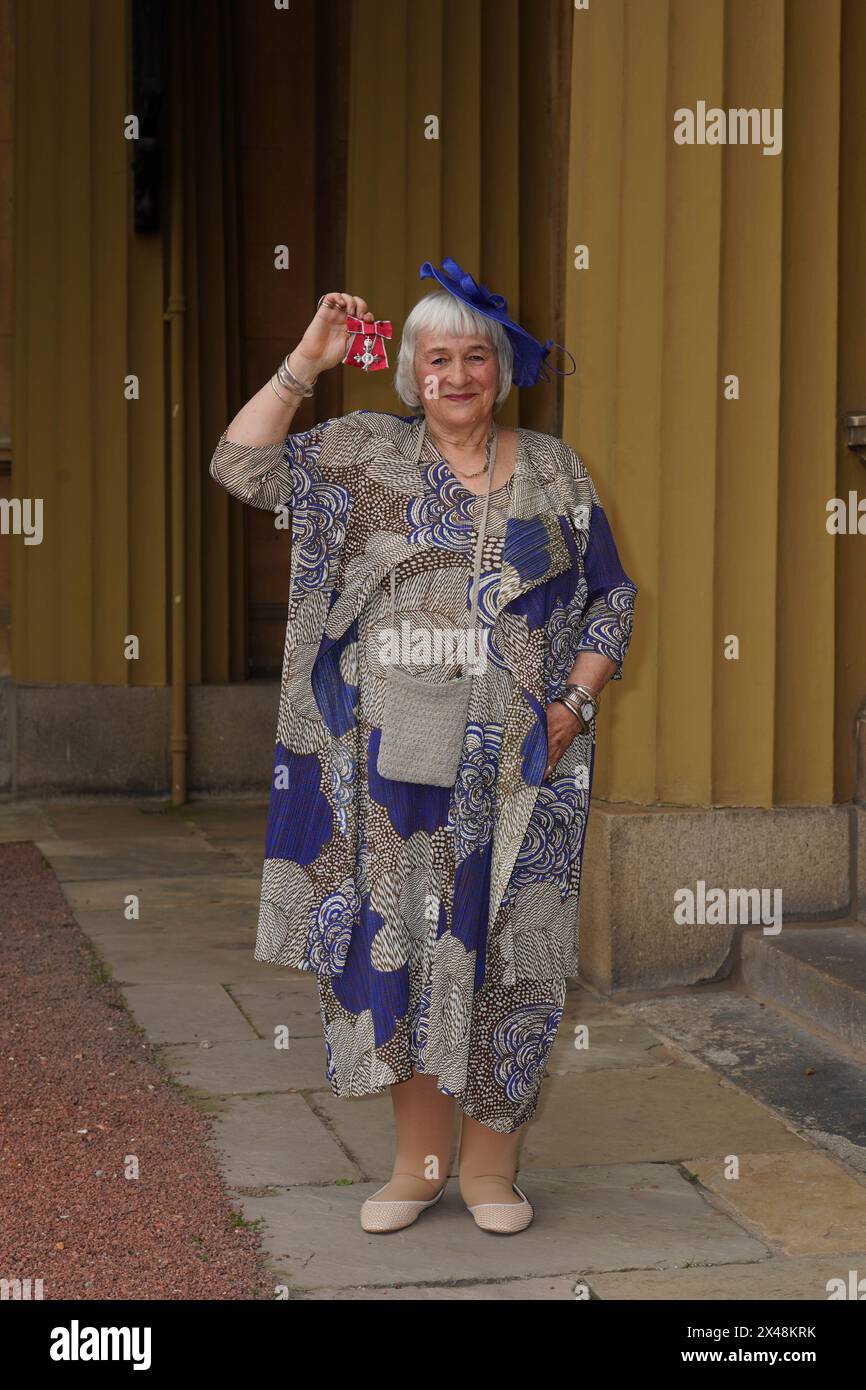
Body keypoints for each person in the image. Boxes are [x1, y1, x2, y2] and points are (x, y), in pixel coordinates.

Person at [208, 256, 637, 1235]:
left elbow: (611, 592)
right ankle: (417, 1165)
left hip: (528, 769)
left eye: (474, 356)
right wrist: (307, 359)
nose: (455, 375)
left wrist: (576, 699)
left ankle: (490, 1171)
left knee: (511, 954)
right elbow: (239, 464)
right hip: (393, 765)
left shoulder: (553, 469)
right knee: (399, 945)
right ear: (409, 372)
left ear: (500, 369)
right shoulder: (364, 454)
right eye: (435, 358)